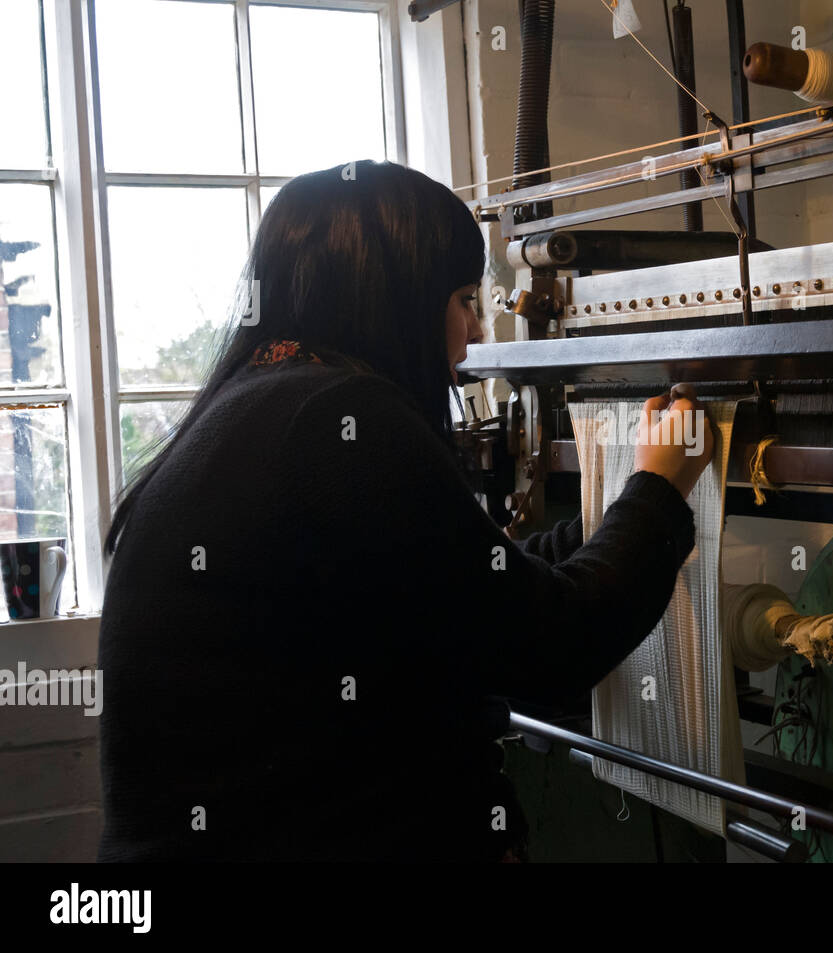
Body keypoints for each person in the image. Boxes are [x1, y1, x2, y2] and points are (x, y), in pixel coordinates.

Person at [97, 160, 713, 861]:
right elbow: (554, 645)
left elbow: (470, 580)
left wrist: (627, 500)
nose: (470, 339)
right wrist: (661, 491)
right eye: (460, 302)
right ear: (395, 302)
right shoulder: (343, 420)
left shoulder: (255, 409)